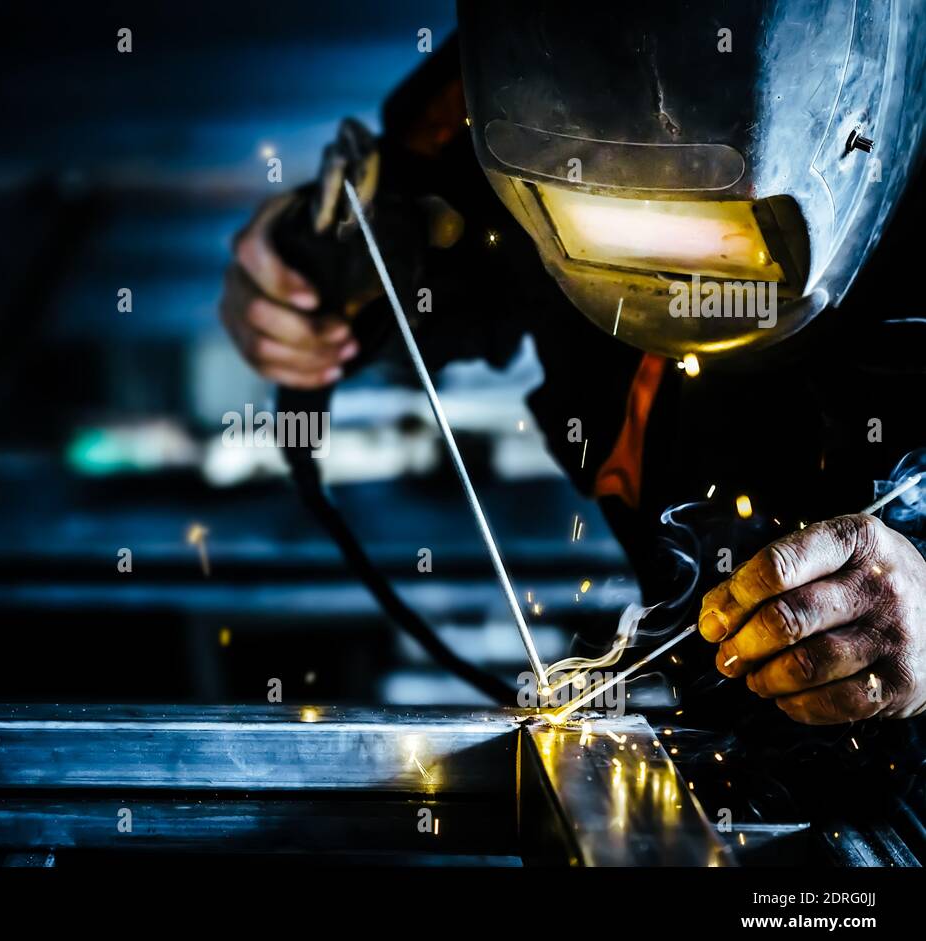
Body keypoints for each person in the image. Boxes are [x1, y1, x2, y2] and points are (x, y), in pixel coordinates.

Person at [219, 2, 926, 725]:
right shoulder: (522, 66)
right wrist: (311, 277)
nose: (685, 282)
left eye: (717, 237)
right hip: (692, 650)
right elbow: (432, 248)